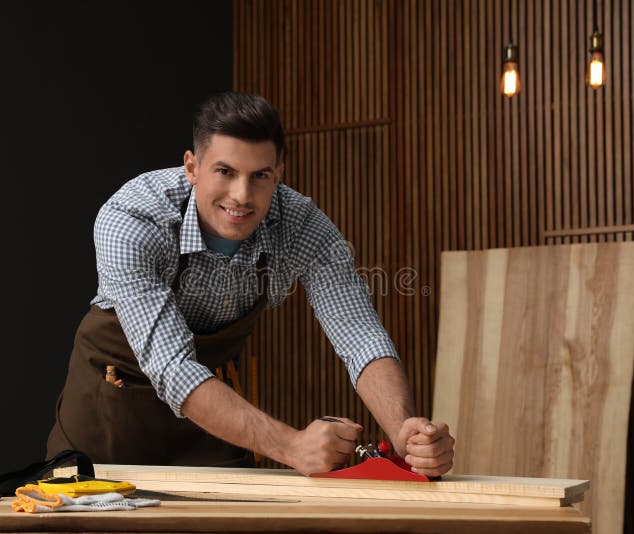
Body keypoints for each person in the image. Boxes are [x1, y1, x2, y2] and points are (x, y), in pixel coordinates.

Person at [46, 92, 455, 477]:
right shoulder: (132, 220)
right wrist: (292, 446)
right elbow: (173, 368)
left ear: (278, 173)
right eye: (225, 172)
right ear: (192, 167)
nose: (241, 196)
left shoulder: (302, 225)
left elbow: (360, 335)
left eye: (259, 175)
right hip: (110, 417)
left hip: (216, 425)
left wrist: (406, 432)